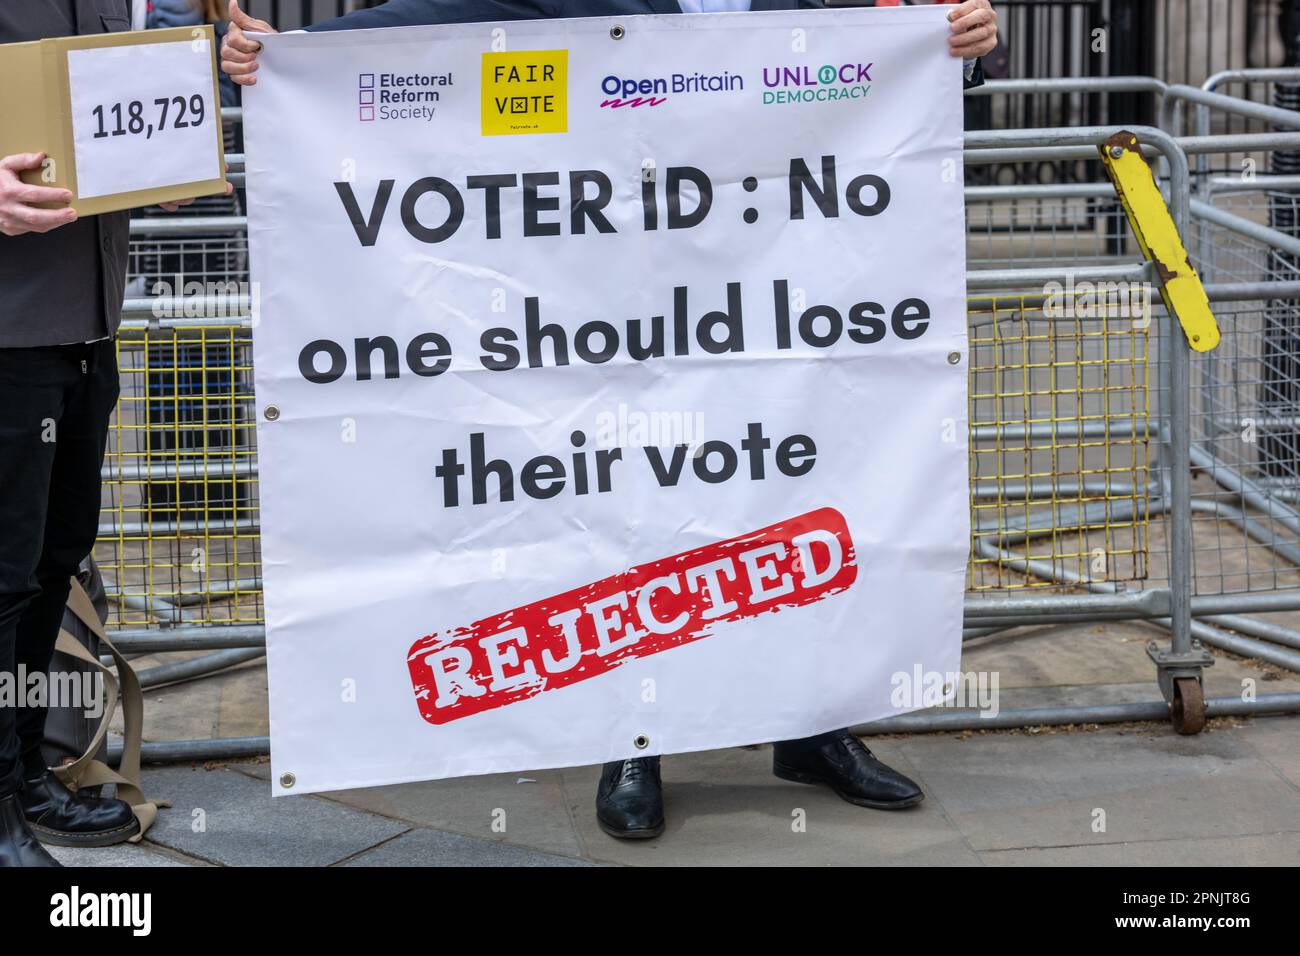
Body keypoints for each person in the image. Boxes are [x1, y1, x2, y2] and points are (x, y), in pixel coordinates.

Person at [221, 0, 998, 841]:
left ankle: (811, 729)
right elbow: (451, 12)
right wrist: (298, 52)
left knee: (780, 494)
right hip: (612, 315)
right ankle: (634, 743)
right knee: (632, 515)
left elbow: (896, 39)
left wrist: (959, 45)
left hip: (758, 311)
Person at [0, 1, 229, 867]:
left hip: (87, 320)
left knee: (51, 563)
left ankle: (24, 773)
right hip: (10, 325)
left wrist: (165, 159)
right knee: (3, 579)